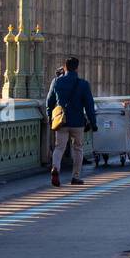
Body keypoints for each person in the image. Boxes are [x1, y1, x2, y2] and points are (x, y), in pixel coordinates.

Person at [46, 57, 98, 186]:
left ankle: (55, 168)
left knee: (59, 148)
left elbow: (49, 102)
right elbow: (89, 106)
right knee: (78, 149)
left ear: (65, 67)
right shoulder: (83, 84)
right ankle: (75, 177)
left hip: (61, 121)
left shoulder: (57, 81)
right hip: (77, 122)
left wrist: (50, 117)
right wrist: (93, 123)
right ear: (77, 68)